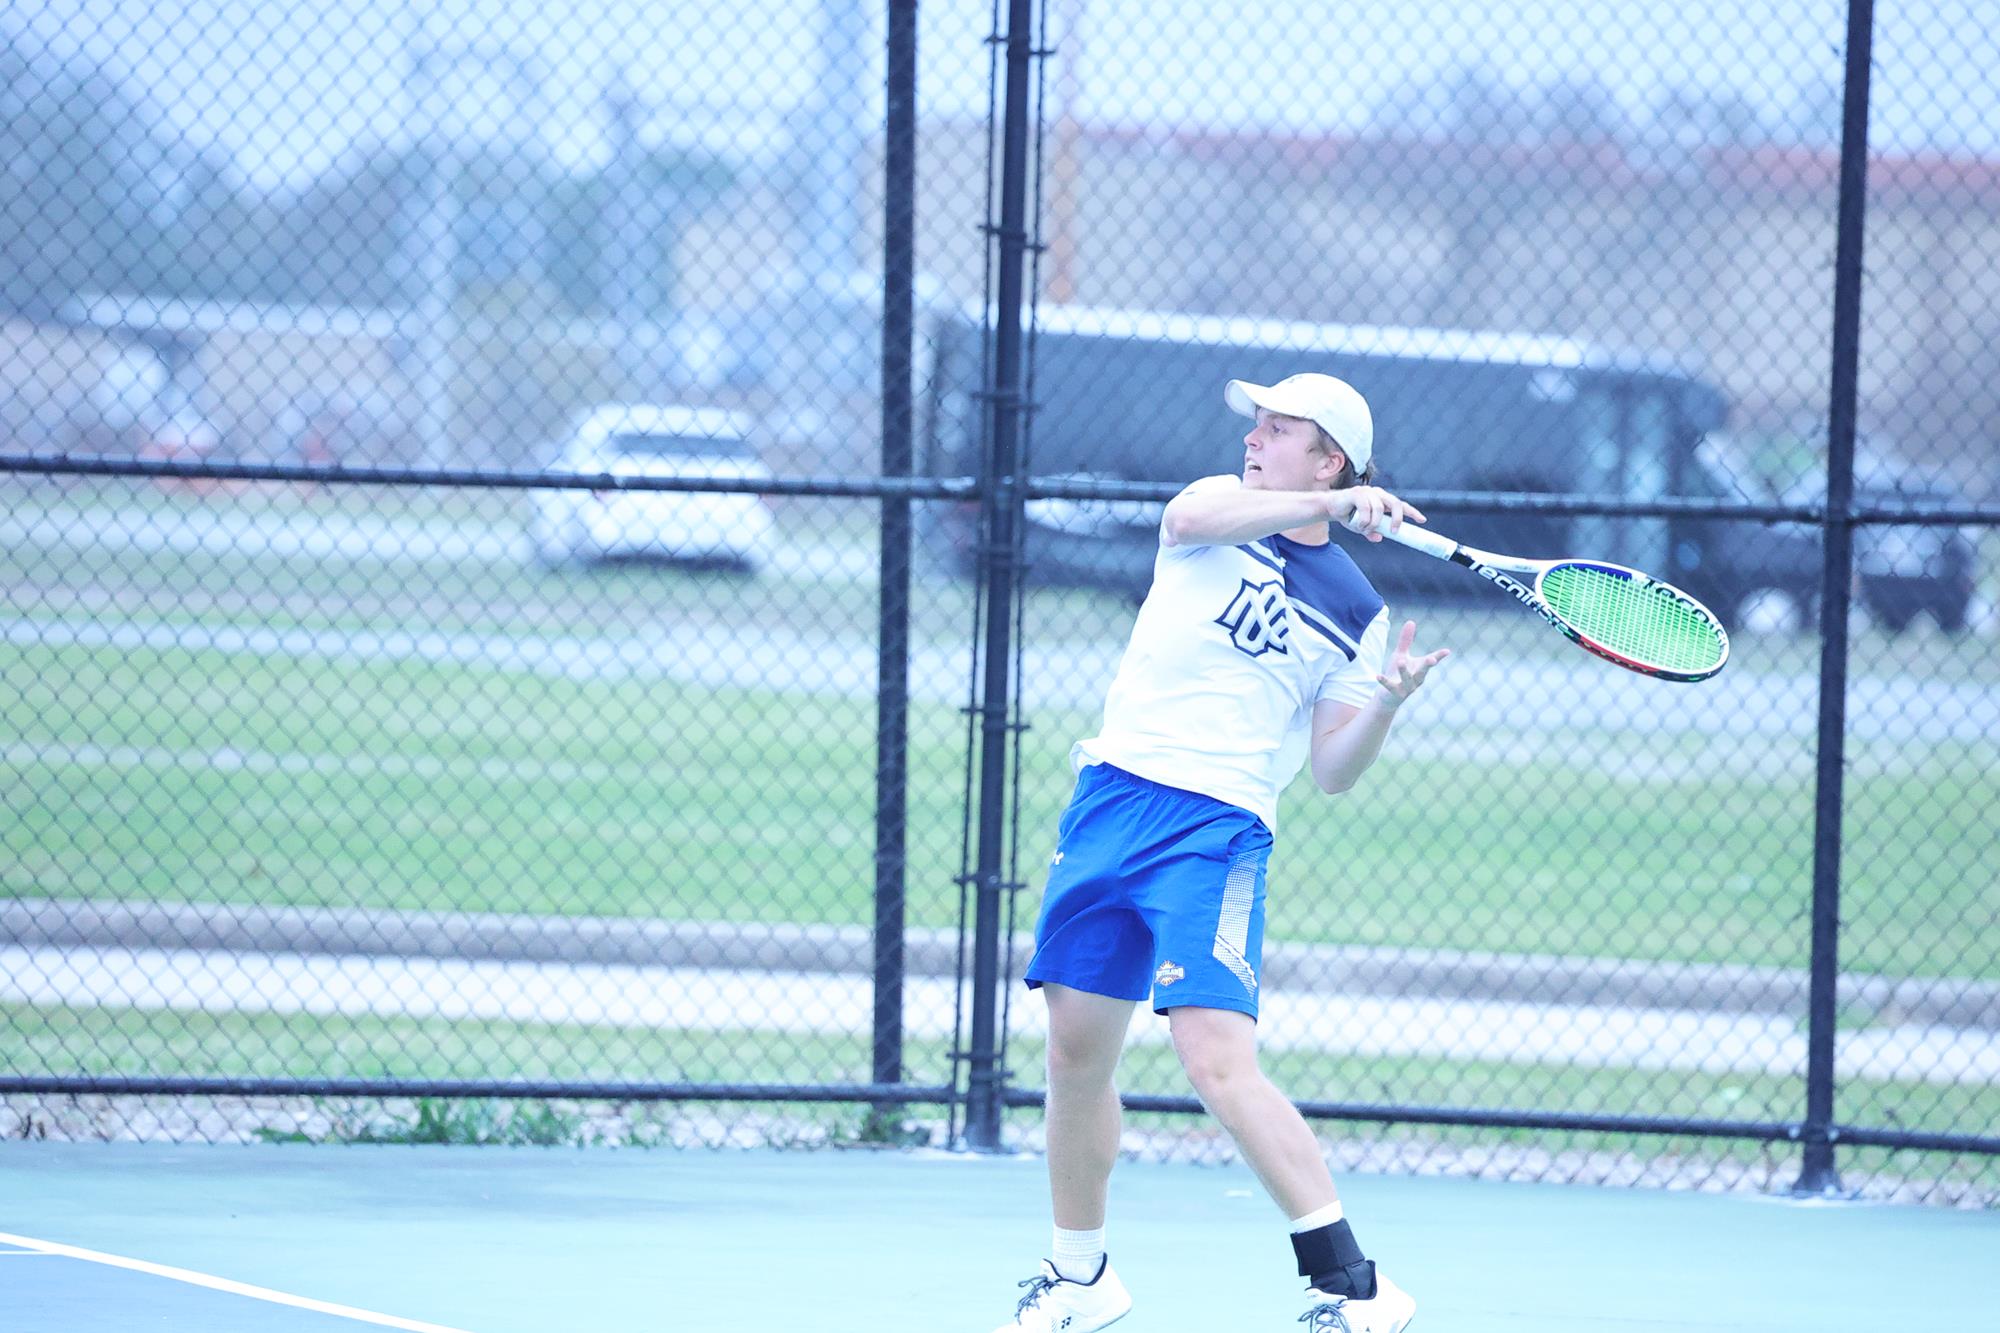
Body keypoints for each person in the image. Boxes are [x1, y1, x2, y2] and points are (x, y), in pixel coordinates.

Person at [992, 372, 1448, 1333]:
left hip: (1216, 826)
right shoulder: (1214, 510)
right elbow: (1193, 514)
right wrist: (1329, 502)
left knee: (1214, 1055)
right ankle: (1080, 1275)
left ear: (1332, 454)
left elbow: (1330, 768)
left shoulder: (1357, 608)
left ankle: (1356, 1286)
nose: (1256, 437)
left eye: (1282, 429)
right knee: (1075, 1050)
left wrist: (1386, 706)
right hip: (1111, 799)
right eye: (1259, 424)